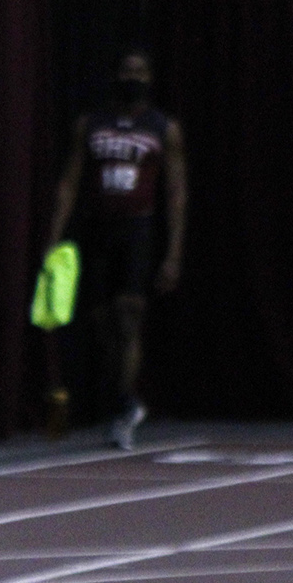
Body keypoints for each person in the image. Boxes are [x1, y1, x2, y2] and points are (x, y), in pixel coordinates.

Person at [45, 49, 187, 449]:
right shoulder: (91, 124)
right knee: (102, 320)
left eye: (140, 72)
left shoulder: (163, 128)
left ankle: (124, 409)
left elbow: (176, 192)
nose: (133, 77)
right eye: (126, 71)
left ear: (150, 78)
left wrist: (173, 252)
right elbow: (70, 182)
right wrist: (54, 237)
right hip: (97, 227)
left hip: (139, 228)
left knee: (130, 313)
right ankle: (122, 396)